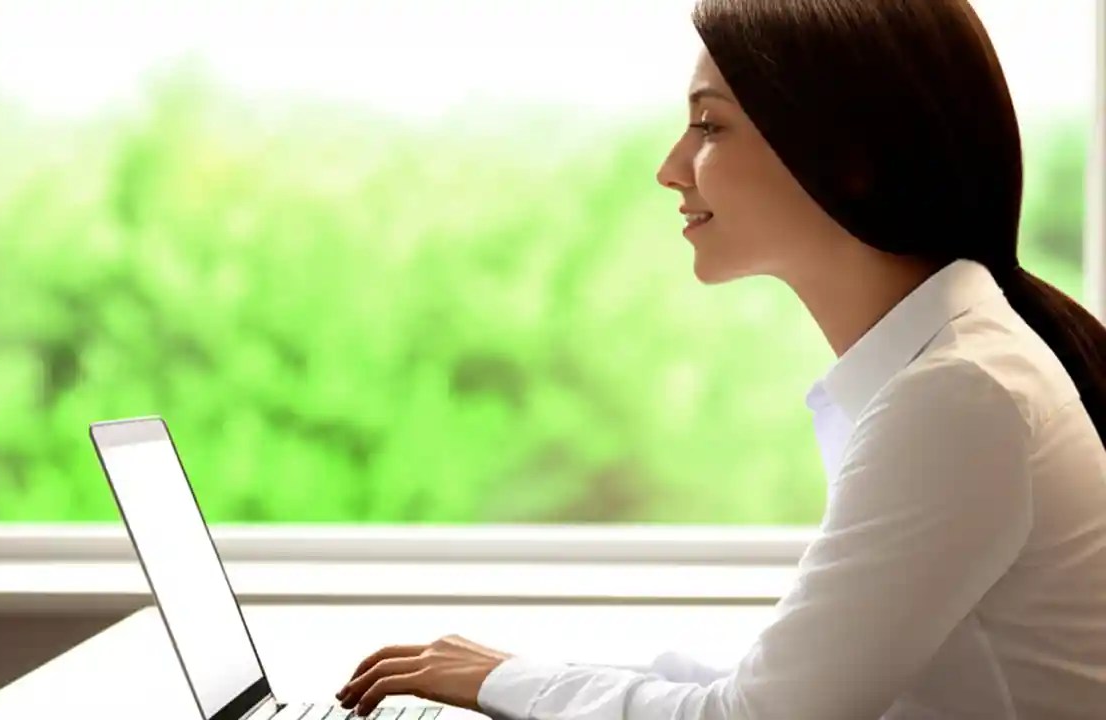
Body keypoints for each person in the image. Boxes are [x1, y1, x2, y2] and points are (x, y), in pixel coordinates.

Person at [333, 0, 1106, 717]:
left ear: (846, 156)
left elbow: (754, 719)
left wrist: (507, 683)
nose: (671, 167)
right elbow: (780, 687)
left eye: (709, 125)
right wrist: (521, 674)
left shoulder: (960, 398)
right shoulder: (950, 369)